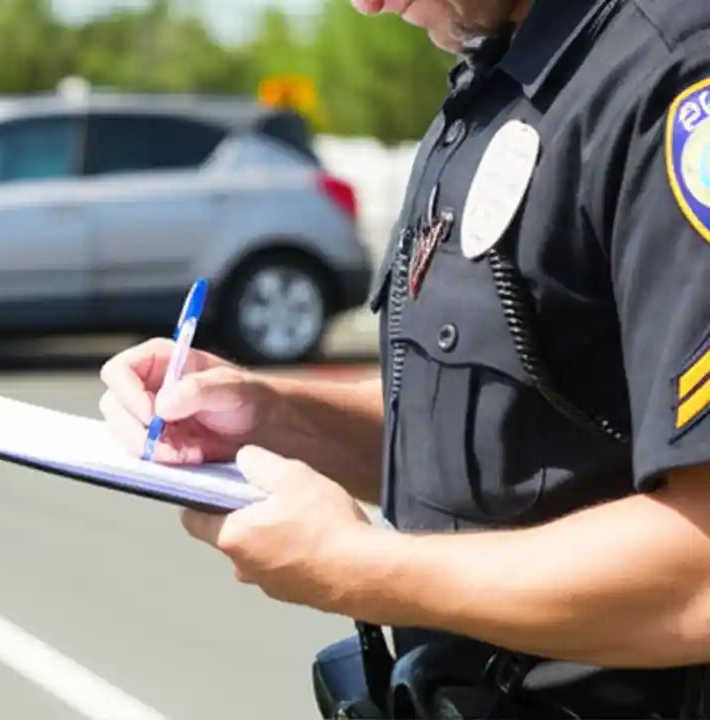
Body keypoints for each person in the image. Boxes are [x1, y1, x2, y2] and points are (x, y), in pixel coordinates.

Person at [98, 0, 710, 717]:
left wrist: (359, 568)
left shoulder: (674, 82)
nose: (368, 4)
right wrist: (268, 416)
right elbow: (506, 431)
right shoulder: (505, 77)